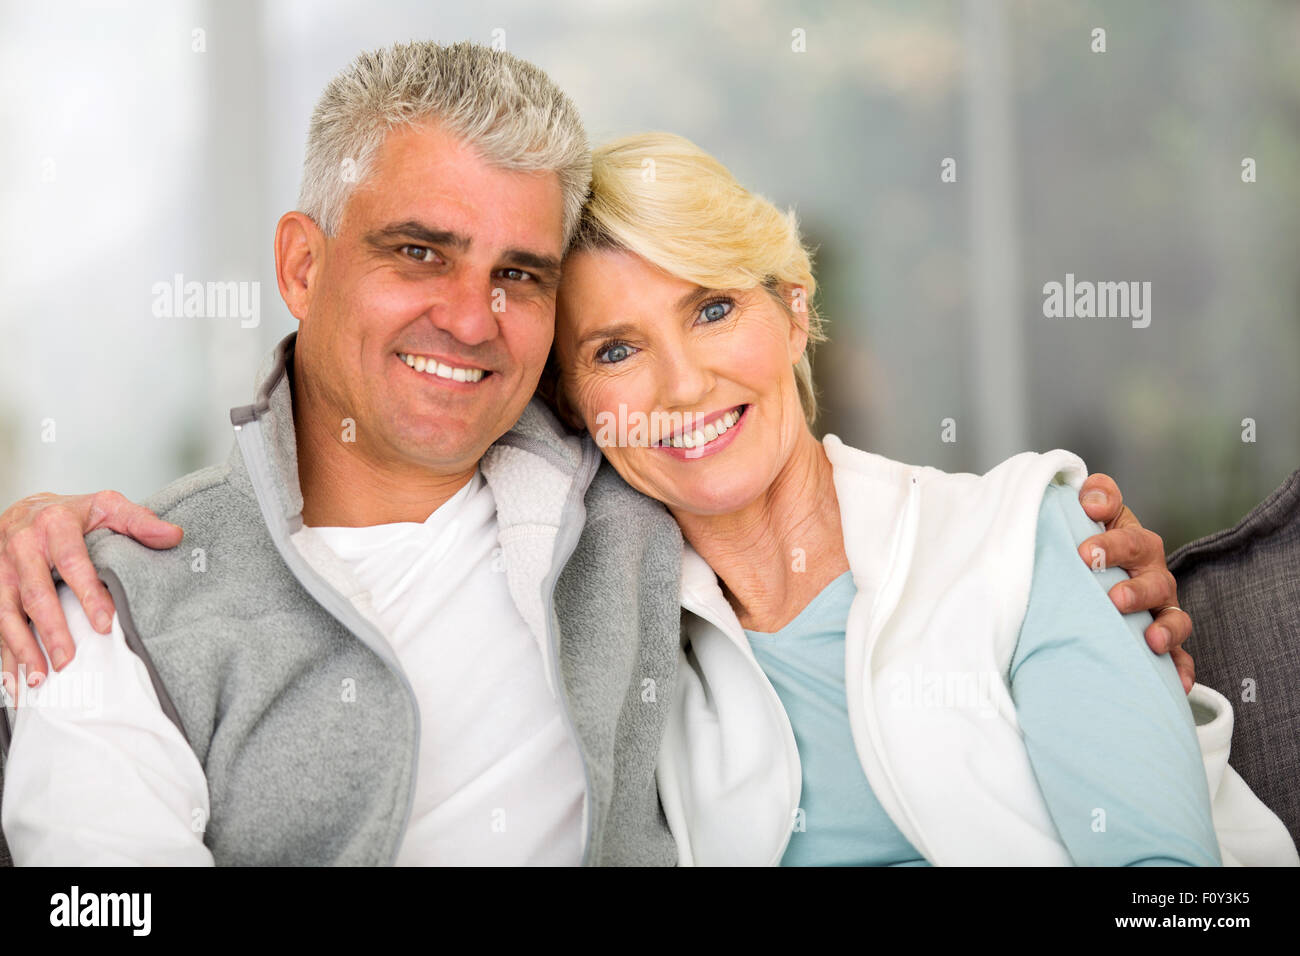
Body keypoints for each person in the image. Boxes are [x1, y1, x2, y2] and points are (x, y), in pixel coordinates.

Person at [0, 42, 1189, 867]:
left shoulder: (616, 515)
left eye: (517, 275)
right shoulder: (112, 596)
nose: (471, 319)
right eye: (420, 252)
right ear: (303, 266)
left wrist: (1053, 546)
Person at [542, 132, 1298, 865]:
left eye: (712, 309)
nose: (683, 385)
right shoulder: (621, 659)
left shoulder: (1024, 538)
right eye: (616, 350)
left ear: (794, 311)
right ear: (572, 407)